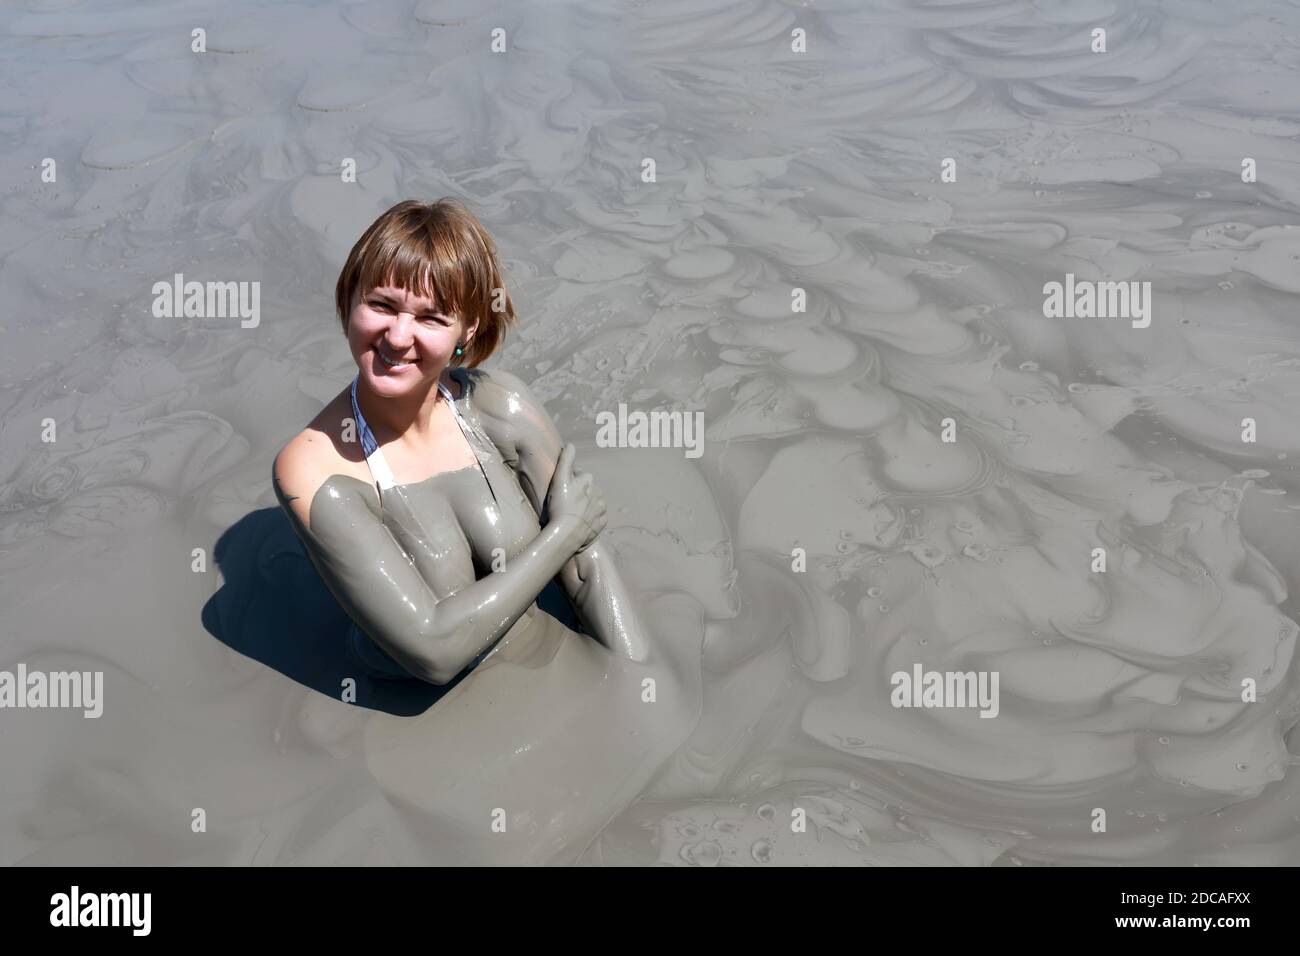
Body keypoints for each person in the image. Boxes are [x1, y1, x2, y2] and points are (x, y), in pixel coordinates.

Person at [271, 198, 659, 691]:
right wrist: (562, 532)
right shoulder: (315, 469)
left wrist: (645, 684)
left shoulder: (502, 407)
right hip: (415, 728)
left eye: (430, 318)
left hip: (548, 672)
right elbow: (434, 652)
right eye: (382, 305)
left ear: (466, 330)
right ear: (349, 300)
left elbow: (587, 565)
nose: (397, 336)